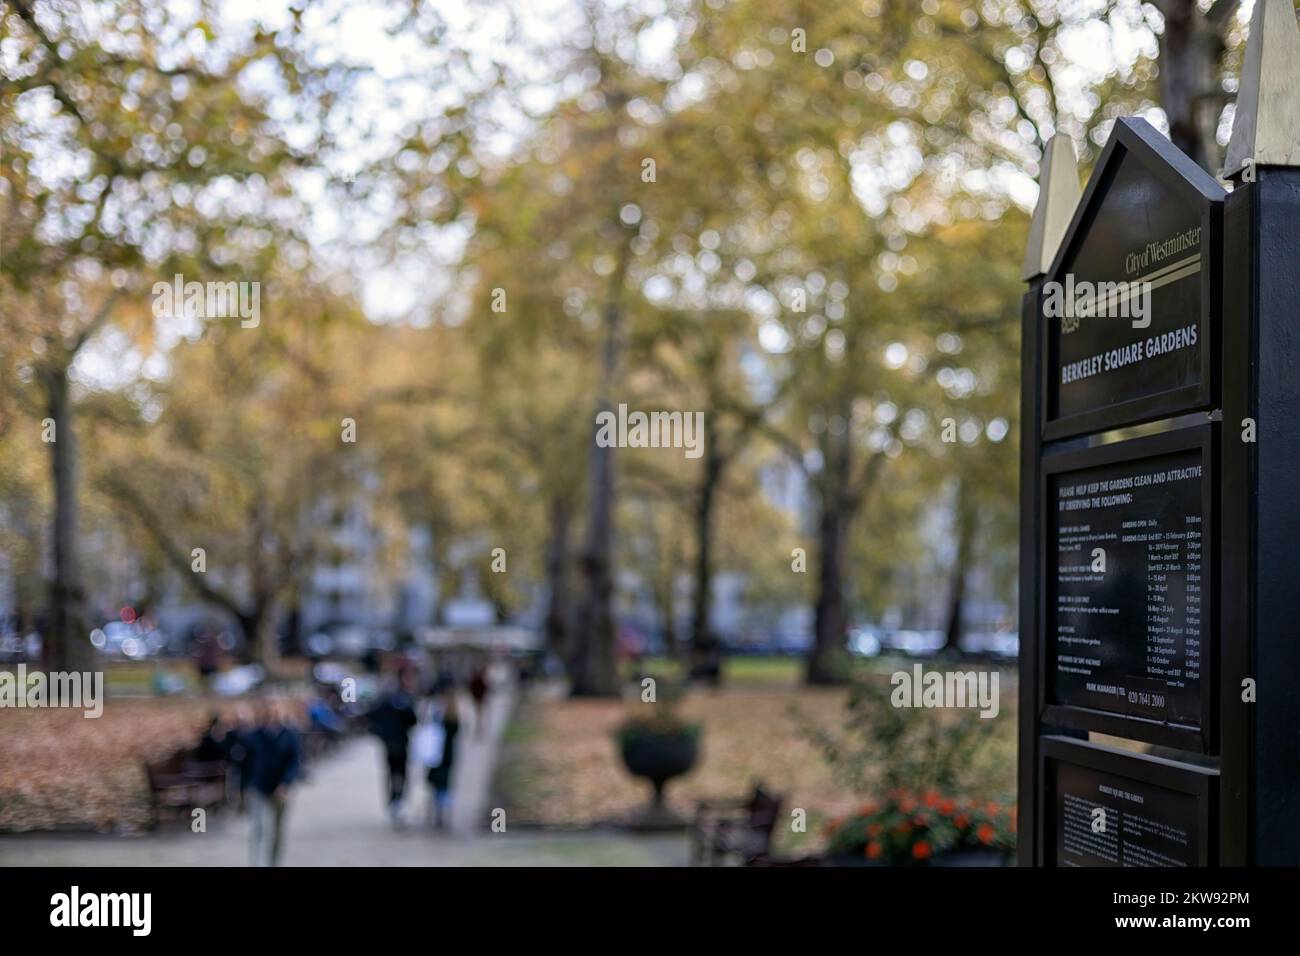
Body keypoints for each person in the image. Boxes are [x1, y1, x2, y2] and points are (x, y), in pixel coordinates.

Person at [245, 699, 302, 867]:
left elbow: (295, 761)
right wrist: (244, 786)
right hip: (258, 786)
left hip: (280, 789)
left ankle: (274, 862)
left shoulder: (289, 735)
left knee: (278, 830)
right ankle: (256, 863)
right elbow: (246, 762)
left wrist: (286, 783)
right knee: (258, 827)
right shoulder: (254, 735)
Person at [366, 668, 418, 826]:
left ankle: (395, 801)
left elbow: (372, 715)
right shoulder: (402, 699)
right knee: (398, 772)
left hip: (391, 742)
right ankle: (397, 801)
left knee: (392, 772)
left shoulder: (389, 698)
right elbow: (413, 720)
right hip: (398, 742)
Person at [420, 693, 460, 830]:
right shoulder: (451, 718)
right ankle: (441, 811)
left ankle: (438, 811)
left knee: (438, 785)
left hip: (438, 757)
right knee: (443, 785)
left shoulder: (443, 719)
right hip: (442, 757)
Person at [468, 663, 489, 738]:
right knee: (478, 715)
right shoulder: (478, 681)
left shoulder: (478, 681)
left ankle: (479, 727)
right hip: (478, 699)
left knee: (479, 715)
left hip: (479, 699)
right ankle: (478, 727)